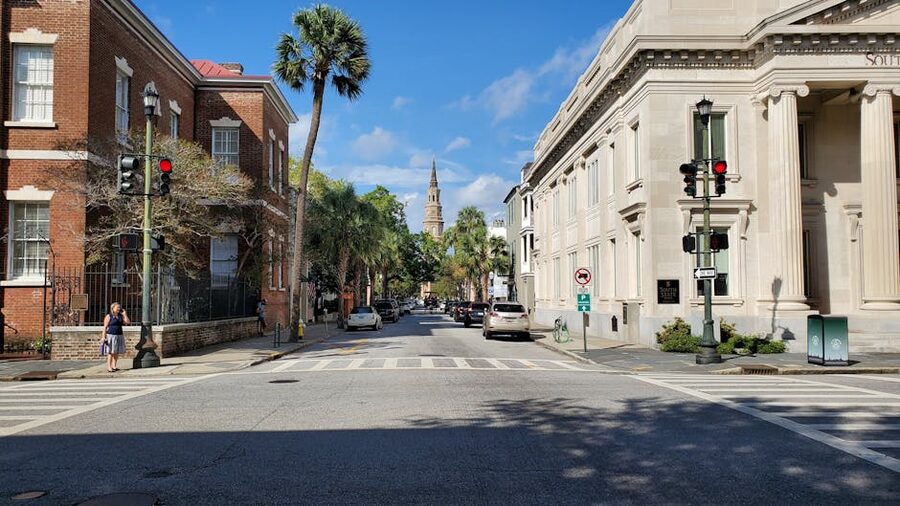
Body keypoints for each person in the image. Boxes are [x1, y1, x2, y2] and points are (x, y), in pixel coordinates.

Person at [102, 302, 129, 373]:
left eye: (119, 307)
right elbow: (105, 327)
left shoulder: (120, 316)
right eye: (117, 307)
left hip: (119, 335)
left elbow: (127, 322)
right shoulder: (109, 316)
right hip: (111, 335)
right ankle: (109, 366)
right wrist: (103, 337)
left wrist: (125, 314)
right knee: (111, 351)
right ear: (112, 308)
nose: (119, 309)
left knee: (116, 351)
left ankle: (114, 366)